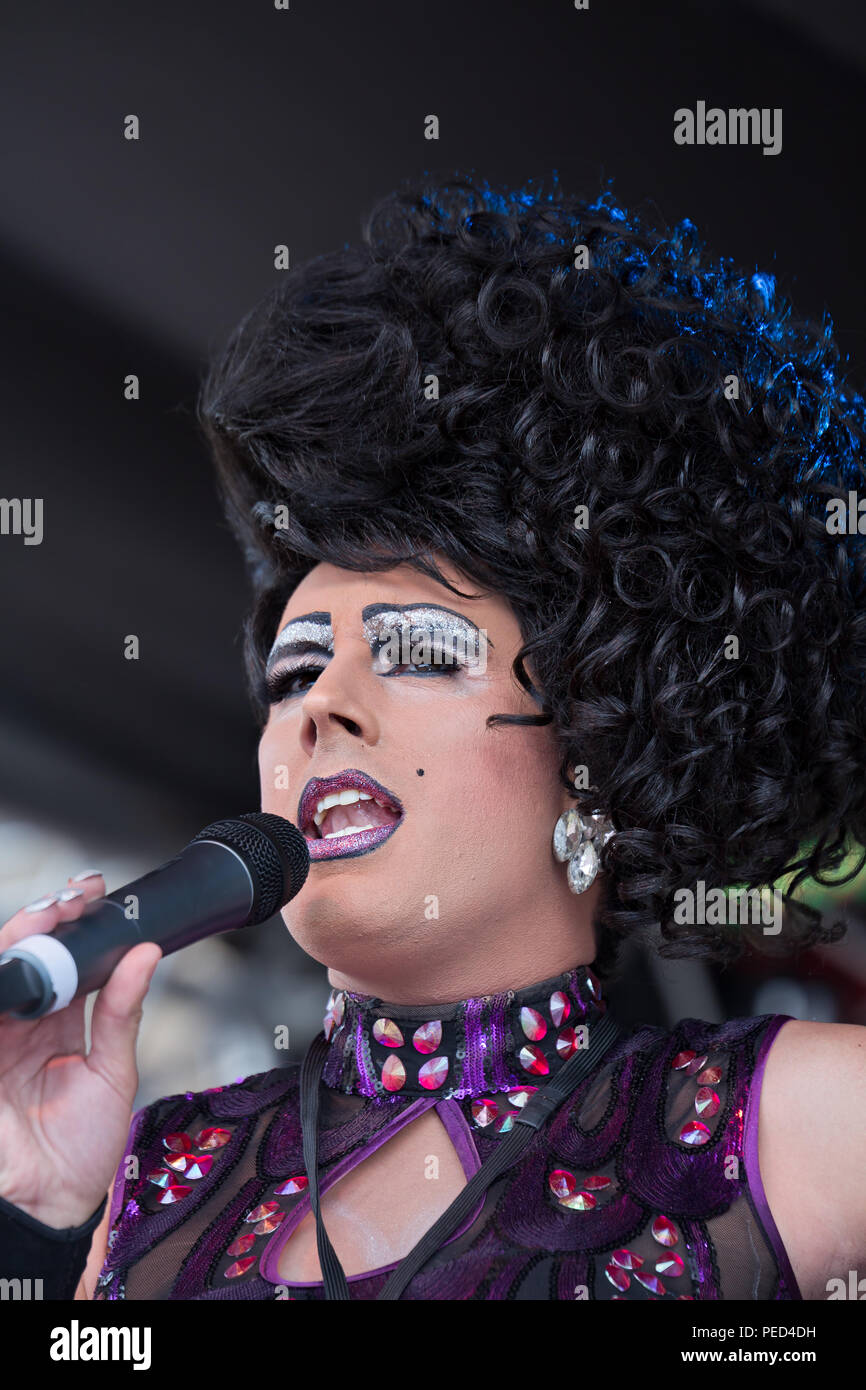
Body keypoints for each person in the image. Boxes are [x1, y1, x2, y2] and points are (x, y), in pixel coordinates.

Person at [2, 174, 865, 1302]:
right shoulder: (157, 1173)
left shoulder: (795, 1122)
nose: (323, 704)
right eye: (295, 670)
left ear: (597, 745)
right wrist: (47, 1214)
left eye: (417, 652)